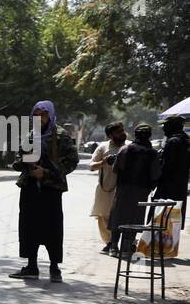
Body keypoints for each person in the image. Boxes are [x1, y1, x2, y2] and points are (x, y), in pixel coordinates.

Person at [8, 100, 78, 283]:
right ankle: (32, 266)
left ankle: (55, 268)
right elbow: (18, 158)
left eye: (43, 114)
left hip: (51, 189)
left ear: (50, 115)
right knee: (29, 227)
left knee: (52, 228)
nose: (39, 118)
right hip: (30, 188)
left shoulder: (61, 136)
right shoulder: (31, 135)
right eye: (36, 115)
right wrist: (26, 163)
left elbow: (72, 161)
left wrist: (45, 172)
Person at [108, 124, 161, 257]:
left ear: (135, 135)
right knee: (134, 218)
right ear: (149, 136)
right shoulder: (152, 153)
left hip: (123, 189)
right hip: (141, 191)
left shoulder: (125, 149)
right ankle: (126, 248)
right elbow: (155, 175)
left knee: (118, 216)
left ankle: (113, 247)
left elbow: (115, 169)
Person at [91, 122, 124, 254]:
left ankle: (128, 243)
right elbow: (92, 166)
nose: (122, 133)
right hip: (106, 189)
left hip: (123, 188)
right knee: (104, 216)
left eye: (122, 130)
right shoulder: (103, 148)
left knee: (123, 216)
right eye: (118, 132)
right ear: (110, 135)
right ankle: (109, 242)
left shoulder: (129, 146)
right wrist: (104, 162)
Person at [153, 115, 188, 217]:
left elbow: (167, 166)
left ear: (172, 126)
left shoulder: (173, 142)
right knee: (174, 219)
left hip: (167, 187)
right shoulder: (185, 140)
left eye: (166, 125)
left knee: (161, 218)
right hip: (180, 185)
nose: (164, 128)